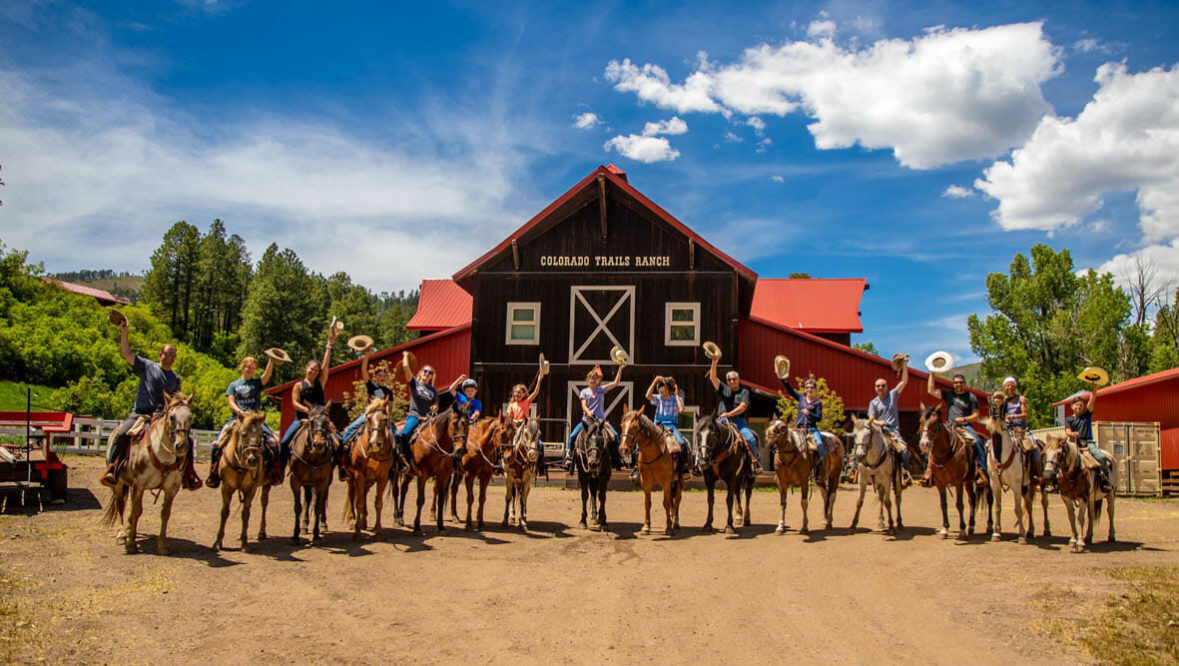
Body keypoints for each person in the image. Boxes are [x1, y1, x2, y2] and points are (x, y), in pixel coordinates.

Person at [101, 318, 200, 489]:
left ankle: (188, 475)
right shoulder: (147, 367)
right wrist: (124, 332)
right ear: (160, 354)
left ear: (175, 358)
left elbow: (176, 402)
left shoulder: (175, 378)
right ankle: (113, 468)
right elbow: (126, 354)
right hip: (141, 414)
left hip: (163, 416)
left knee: (187, 441)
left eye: (172, 354)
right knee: (121, 434)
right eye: (166, 353)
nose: (169, 356)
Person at [206, 355, 278, 488]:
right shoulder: (234, 385)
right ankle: (214, 473)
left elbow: (266, 376)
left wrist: (271, 360)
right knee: (216, 445)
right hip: (237, 419)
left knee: (274, 444)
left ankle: (273, 473)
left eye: (253, 368)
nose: (250, 370)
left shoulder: (256, 383)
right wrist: (240, 412)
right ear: (243, 367)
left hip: (255, 421)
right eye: (248, 367)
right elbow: (231, 402)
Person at [280, 326, 339, 480]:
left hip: (320, 420)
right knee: (285, 442)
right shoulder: (298, 386)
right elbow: (294, 404)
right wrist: (310, 413)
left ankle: (341, 469)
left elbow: (326, 366)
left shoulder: (320, 383)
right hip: (301, 420)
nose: (313, 371)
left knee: (339, 442)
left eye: (316, 370)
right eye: (311, 369)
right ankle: (278, 470)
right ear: (306, 368)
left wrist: (329, 345)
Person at [396, 352, 465, 471]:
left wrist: (435, 407)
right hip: (415, 416)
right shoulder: (415, 384)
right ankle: (403, 460)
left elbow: (435, 403)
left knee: (445, 435)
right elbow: (406, 368)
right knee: (404, 434)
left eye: (430, 373)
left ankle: (447, 462)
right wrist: (405, 356)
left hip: (428, 418)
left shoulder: (432, 390)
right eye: (425, 371)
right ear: (420, 373)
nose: (427, 374)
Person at [339, 352, 401, 481]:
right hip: (368, 415)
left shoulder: (389, 392)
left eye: (384, 376)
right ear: (376, 377)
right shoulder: (372, 386)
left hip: (383, 417)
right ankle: (343, 463)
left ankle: (397, 463)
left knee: (397, 436)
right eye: (380, 376)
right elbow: (363, 370)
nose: (382, 378)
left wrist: (386, 415)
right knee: (349, 431)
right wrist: (367, 356)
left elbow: (390, 406)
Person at [925, 372, 986, 487]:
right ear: (953, 384)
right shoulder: (949, 394)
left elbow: (976, 415)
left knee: (977, 441)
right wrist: (932, 373)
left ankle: (981, 471)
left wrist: (963, 419)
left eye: (960, 382)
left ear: (964, 384)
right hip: (949, 425)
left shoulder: (971, 397)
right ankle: (928, 471)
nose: (958, 384)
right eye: (956, 382)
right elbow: (931, 390)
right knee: (932, 441)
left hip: (964, 425)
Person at [706, 355, 761, 474]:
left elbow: (742, 407)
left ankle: (754, 463)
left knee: (750, 439)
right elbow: (713, 377)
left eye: (734, 379)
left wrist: (729, 414)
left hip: (739, 422)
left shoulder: (744, 392)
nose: (732, 381)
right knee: (707, 435)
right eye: (729, 379)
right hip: (722, 421)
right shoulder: (724, 389)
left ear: (738, 379)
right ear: (727, 381)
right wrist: (714, 362)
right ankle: (702, 462)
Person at [564, 365, 624, 472]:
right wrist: (588, 412)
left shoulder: (601, 389)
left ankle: (618, 459)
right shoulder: (584, 392)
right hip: (587, 421)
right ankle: (569, 457)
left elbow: (616, 383)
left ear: (597, 380)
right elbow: (583, 405)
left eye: (594, 378)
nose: (592, 380)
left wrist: (620, 369)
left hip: (600, 421)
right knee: (573, 436)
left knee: (614, 436)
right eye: (590, 378)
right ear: (587, 380)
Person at [868, 361, 913, 485]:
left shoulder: (892, 395)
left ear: (887, 387)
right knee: (863, 444)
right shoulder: (873, 403)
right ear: (875, 388)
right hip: (878, 429)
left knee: (903, 449)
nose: (880, 388)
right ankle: (857, 469)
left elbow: (904, 381)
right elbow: (871, 418)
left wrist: (904, 366)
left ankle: (905, 471)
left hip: (892, 430)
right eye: (878, 386)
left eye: (883, 385)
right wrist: (878, 422)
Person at [1065, 386, 1112, 493]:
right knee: (1060, 458)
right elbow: (1067, 431)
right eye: (1076, 405)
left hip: (1088, 443)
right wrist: (1072, 434)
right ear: (1072, 406)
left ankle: (1104, 480)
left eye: (1081, 405)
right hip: (1073, 444)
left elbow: (1093, 397)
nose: (1078, 407)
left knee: (1100, 457)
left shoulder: (1086, 415)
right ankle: (1055, 482)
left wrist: (1094, 387)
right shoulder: (1069, 419)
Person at [780, 376, 827, 478]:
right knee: (785, 441)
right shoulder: (801, 398)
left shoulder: (818, 403)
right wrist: (783, 380)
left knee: (819, 445)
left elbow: (819, 418)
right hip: (798, 429)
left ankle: (821, 469)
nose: (809, 389)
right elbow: (790, 391)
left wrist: (808, 413)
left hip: (811, 429)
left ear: (815, 390)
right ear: (805, 389)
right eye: (807, 387)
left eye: (812, 387)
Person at [646, 375, 687, 464]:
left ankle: (683, 468)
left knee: (682, 442)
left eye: (664, 391)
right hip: (657, 425)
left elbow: (681, 410)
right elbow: (647, 395)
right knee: (644, 441)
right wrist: (655, 381)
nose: (662, 394)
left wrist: (676, 395)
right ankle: (638, 467)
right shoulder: (658, 398)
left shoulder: (677, 399)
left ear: (668, 389)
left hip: (671, 427)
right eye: (660, 392)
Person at [1001, 377, 1041, 467]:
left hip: (1020, 428)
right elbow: (1000, 415)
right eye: (1008, 385)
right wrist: (1005, 419)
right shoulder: (1003, 401)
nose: (1010, 387)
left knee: (1033, 445)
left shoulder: (1021, 399)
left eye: (1012, 385)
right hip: (1007, 428)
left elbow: (1025, 414)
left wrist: (1013, 416)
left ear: (1015, 387)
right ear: (1005, 387)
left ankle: (1038, 471)